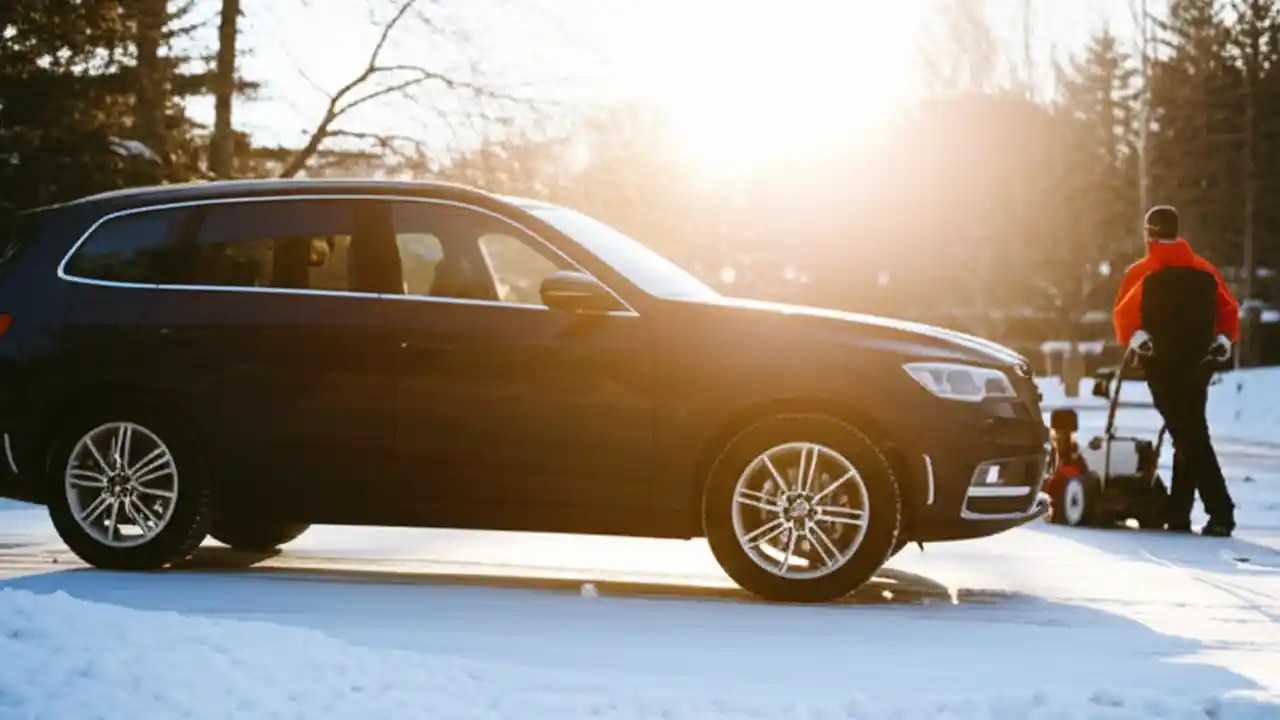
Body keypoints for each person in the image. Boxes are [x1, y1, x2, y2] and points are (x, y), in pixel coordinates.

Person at [1113, 205, 1239, 537]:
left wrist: (1137, 338)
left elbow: (1124, 316)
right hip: (1199, 364)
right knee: (1188, 430)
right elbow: (1228, 309)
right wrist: (1223, 339)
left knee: (1191, 435)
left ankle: (1221, 511)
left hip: (1162, 365)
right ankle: (1178, 512)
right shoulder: (1204, 269)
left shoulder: (1142, 271)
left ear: (1148, 233)